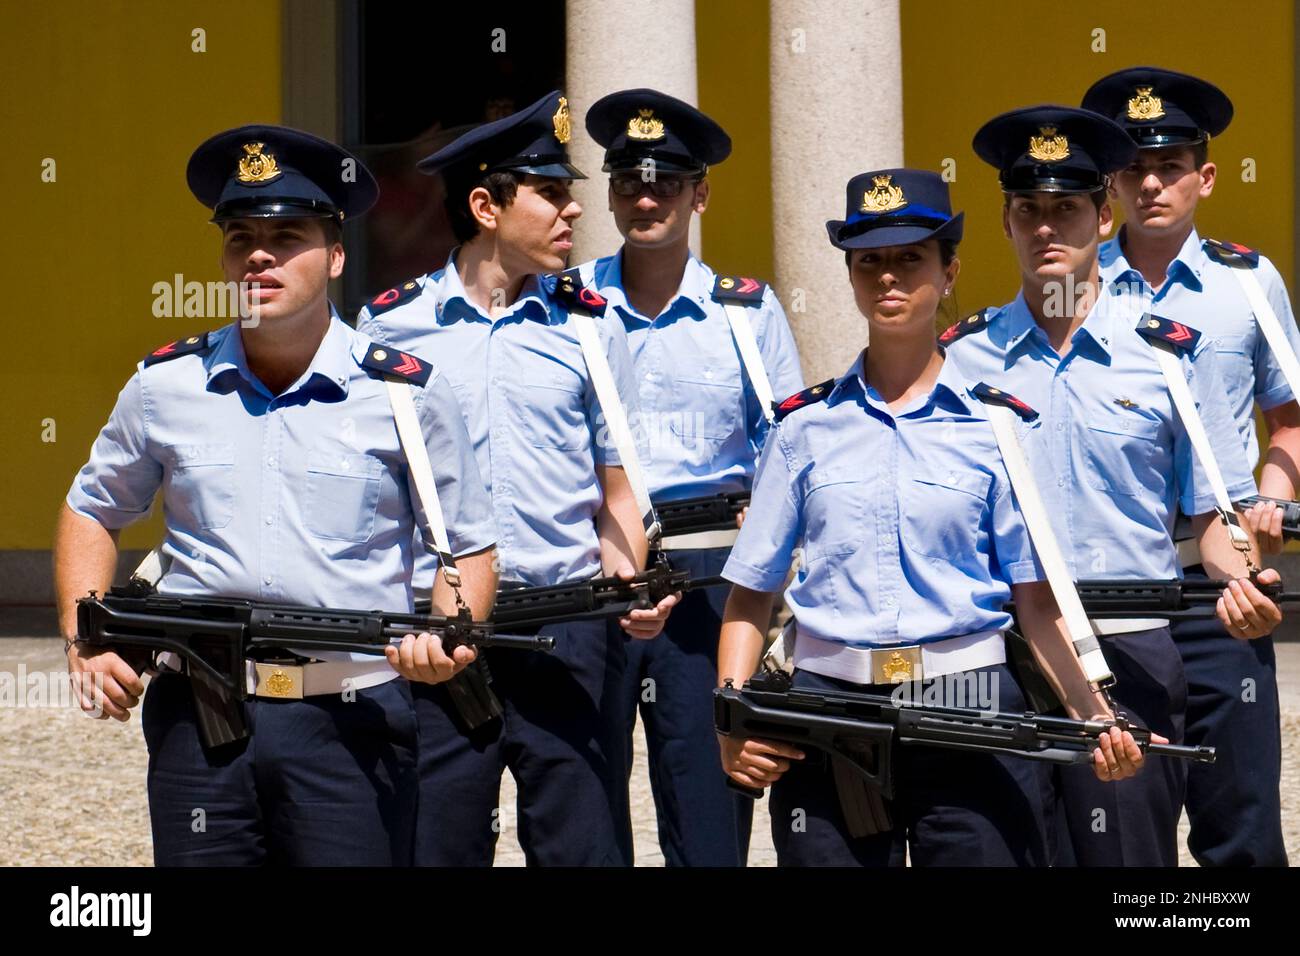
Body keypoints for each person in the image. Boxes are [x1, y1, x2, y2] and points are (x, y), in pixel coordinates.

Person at [55, 125, 499, 866]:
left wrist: (448, 641)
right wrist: (85, 640)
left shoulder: (405, 394)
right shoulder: (166, 386)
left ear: (333, 257)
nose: (258, 254)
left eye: (286, 235)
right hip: (201, 717)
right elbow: (92, 507)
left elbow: (469, 545)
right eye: (240, 238)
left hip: (352, 719)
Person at [717, 168, 1146, 867]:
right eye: (870, 262)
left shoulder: (999, 427)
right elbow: (750, 594)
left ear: (949, 272)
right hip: (828, 704)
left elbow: (1035, 604)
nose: (889, 278)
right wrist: (730, 719)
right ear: (852, 278)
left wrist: (1094, 715)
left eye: (910, 259)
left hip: (970, 697)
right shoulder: (804, 429)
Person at [945, 105, 1281, 866]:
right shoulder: (962, 361)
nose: (1045, 228)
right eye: (1027, 210)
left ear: (1103, 217)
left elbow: (1208, 513)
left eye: (1066, 208)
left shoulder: (1163, 358)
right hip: (995, 656)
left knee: (1126, 865)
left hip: (1126, 648)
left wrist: (1242, 583)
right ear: (1005, 222)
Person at [356, 91, 678, 867]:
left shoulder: (593, 327)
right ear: (485, 205)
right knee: (435, 843)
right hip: (439, 633)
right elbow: (371, 493)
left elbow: (619, 488)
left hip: (564, 629)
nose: (574, 212)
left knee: (583, 849)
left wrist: (627, 570)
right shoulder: (390, 329)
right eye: (552, 192)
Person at [576, 88, 804, 866]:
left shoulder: (746, 311)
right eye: (630, 182)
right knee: (585, 803)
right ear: (609, 193)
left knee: (708, 809)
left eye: (667, 183)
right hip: (597, 567)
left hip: (710, 578)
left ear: (699, 195)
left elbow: (789, 445)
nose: (647, 198)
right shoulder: (569, 305)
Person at [1082, 66, 1296, 867]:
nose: (1150, 183)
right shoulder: (1077, 287)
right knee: (1124, 829)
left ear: (1203, 177)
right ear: (1110, 180)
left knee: (1240, 825)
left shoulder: (1248, 281)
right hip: (1116, 589)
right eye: (1133, 167)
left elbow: (1290, 417)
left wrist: (1269, 504)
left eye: (1169, 166)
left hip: (1225, 590)